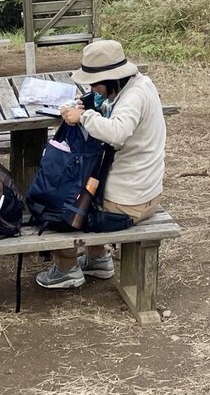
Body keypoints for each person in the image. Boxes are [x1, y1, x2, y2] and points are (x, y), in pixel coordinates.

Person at [37, 39, 166, 289]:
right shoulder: (141, 84)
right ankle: (98, 258)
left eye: (95, 84)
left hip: (126, 202)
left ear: (109, 79)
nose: (93, 88)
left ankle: (66, 269)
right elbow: (119, 116)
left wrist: (84, 116)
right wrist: (93, 104)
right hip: (145, 193)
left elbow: (117, 132)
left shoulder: (133, 97)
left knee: (56, 201)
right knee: (88, 181)